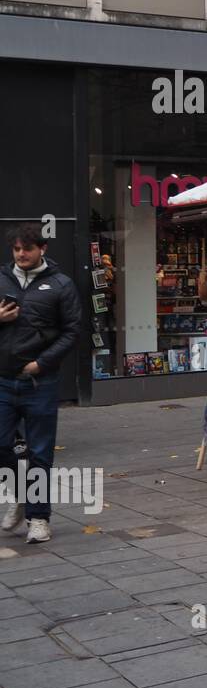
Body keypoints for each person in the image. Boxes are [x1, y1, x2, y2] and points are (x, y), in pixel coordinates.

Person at [0, 224, 82, 544]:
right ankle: (22, 493)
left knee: (40, 453)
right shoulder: (2, 277)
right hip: (3, 380)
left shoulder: (61, 285)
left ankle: (38, 518)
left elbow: (73, 331)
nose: (21, 254)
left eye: (28, 249)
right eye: (17, 249)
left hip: (40, 382)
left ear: (42, 249)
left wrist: (42, 363)